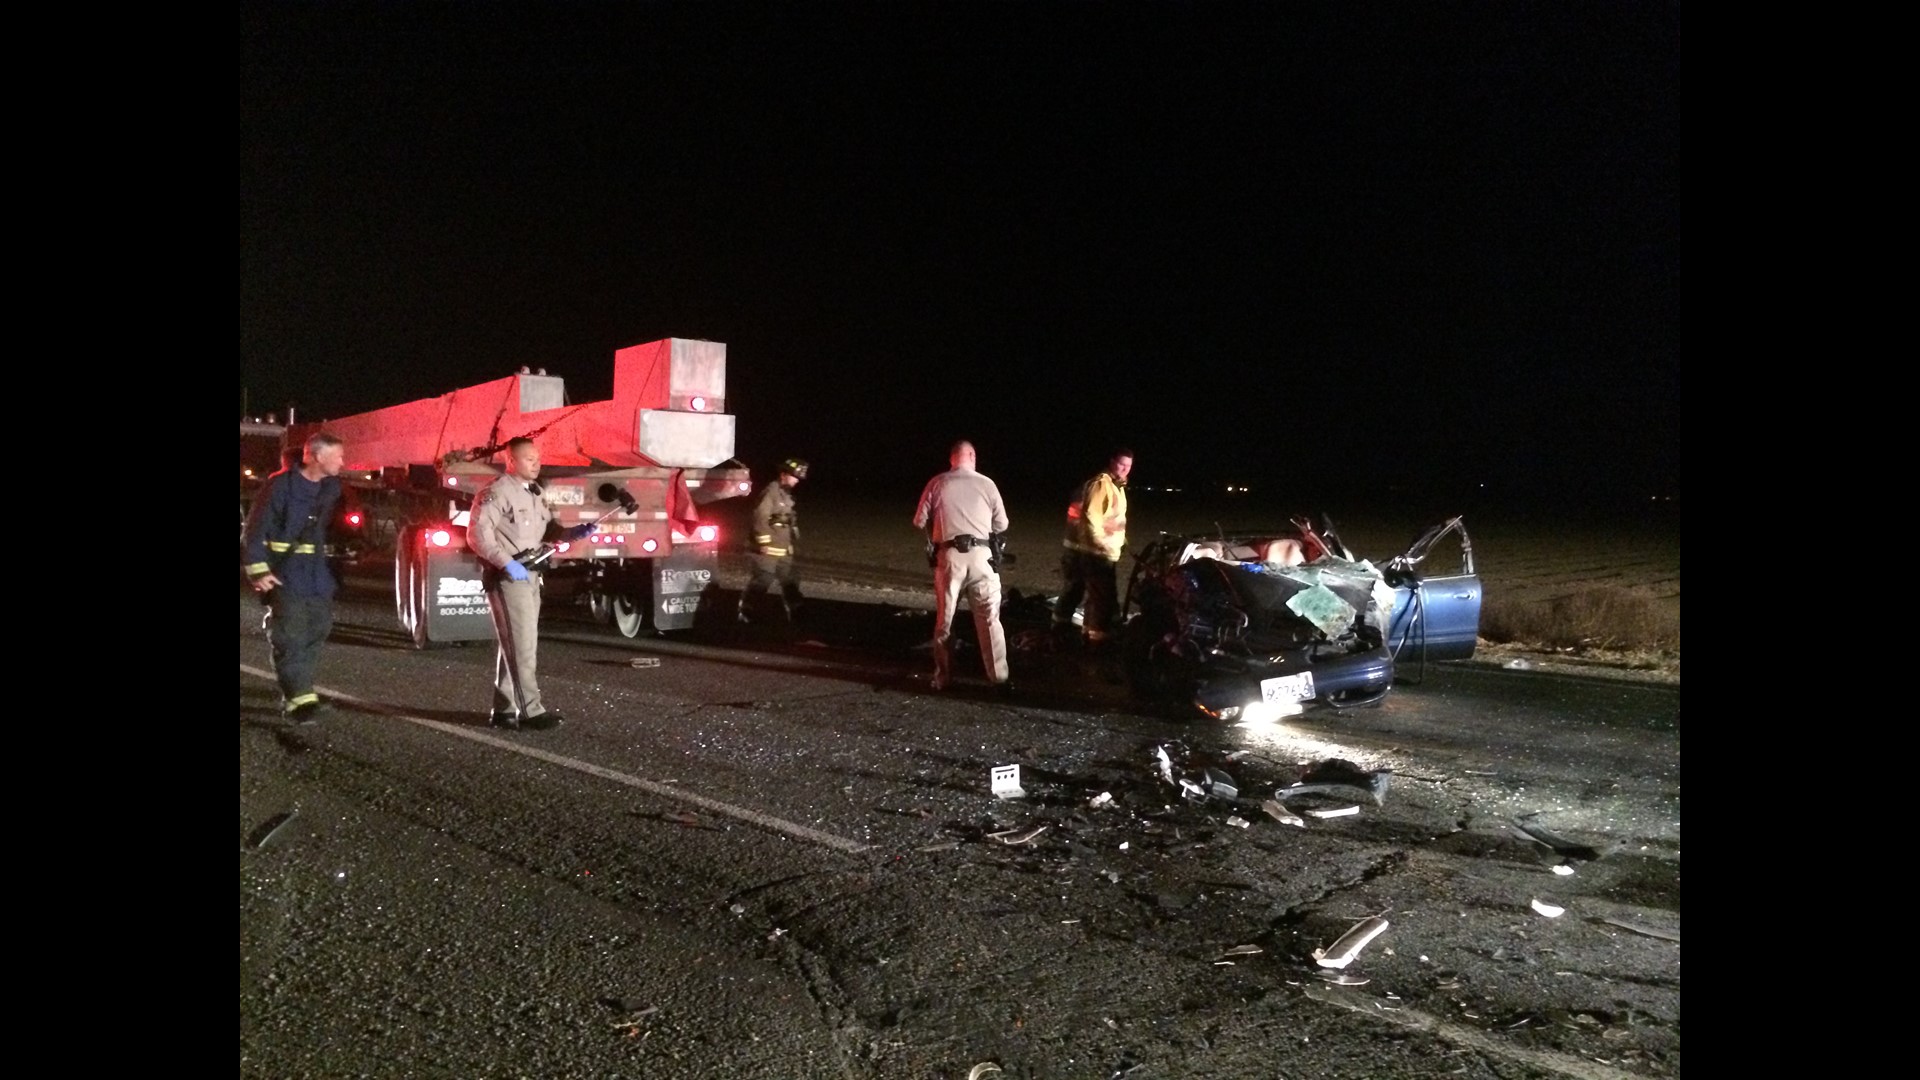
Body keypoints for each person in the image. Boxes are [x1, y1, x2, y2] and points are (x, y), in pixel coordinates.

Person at [467, 437, 594, 731]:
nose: (536, 464)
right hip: (509, 578)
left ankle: (504, 710)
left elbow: (547, 530)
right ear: (511, 461)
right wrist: (507, 563)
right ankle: (531, 711)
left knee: (516, 644)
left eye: (538, 459)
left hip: (532, 575)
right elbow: (477, 536)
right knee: (522, 647)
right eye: (529, 459)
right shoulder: (497, 492)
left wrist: (571, 533)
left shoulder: (534, 492)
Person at [242, 431, 354, 724]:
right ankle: (300, 700)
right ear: (316, 456)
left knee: (318, 628)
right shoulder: (280, 486)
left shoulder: (330, 487)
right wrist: (258, 569)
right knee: (290, 636)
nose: (342, 462)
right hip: (286, 573)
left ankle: (298, 693)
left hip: (316, 575)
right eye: (338, 456)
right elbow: (255, 528)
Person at [912, 440, 1013, 695]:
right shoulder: (987, 484)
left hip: (949, 558)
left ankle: (943, 678)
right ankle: (999, 678)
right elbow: (1001, 524)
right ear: (972, 456)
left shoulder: (937, 482)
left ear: (952, 459)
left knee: (945, 621)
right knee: (989, 619)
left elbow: (919, 521)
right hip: (982, 558)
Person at [1054, 448, 1134, 648]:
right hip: (1096, 552)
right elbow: (1092, 518)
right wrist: (1099, 545)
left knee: (1086, 593)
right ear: (1112, 462)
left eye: (1128, 466)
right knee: (1100, 598)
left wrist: (1121, 541)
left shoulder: (1116, 486)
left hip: (1102, 551)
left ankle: (1078, 633)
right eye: (1121, 464)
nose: (1125, 469)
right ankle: (1095, 641)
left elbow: (1112, 519)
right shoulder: (1101, 484)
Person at [737, 457, 808, 624]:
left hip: (783, 548)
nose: (797, 480)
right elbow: (760, 517)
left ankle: (796, 611)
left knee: (790, 581)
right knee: (763, 580)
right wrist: (764, 542)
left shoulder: (786, 494)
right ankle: (746, 612)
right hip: (768, 549)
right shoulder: (771, 492)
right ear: (783, 474)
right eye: (794, 476)